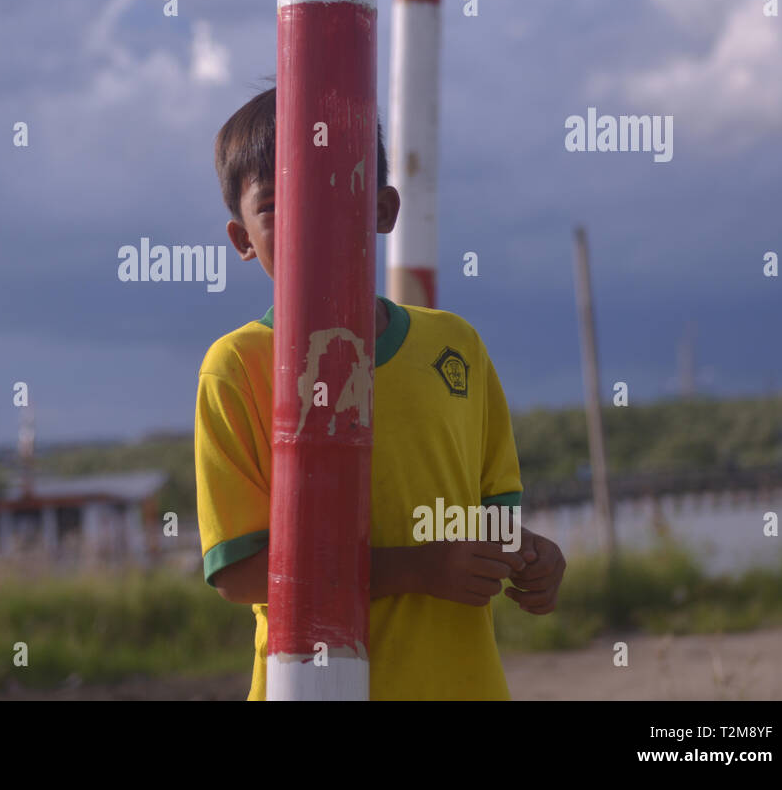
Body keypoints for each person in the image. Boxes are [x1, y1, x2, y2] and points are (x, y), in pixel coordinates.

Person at [195, 83, 567, 699]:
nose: (310, 216)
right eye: (275, 202)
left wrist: (532, 560)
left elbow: (489, 521)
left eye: (337, 186)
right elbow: (238, 572)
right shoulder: (237, 367)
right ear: (241, 239)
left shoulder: (457, 349)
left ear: (384, 209)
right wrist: (414, 569)